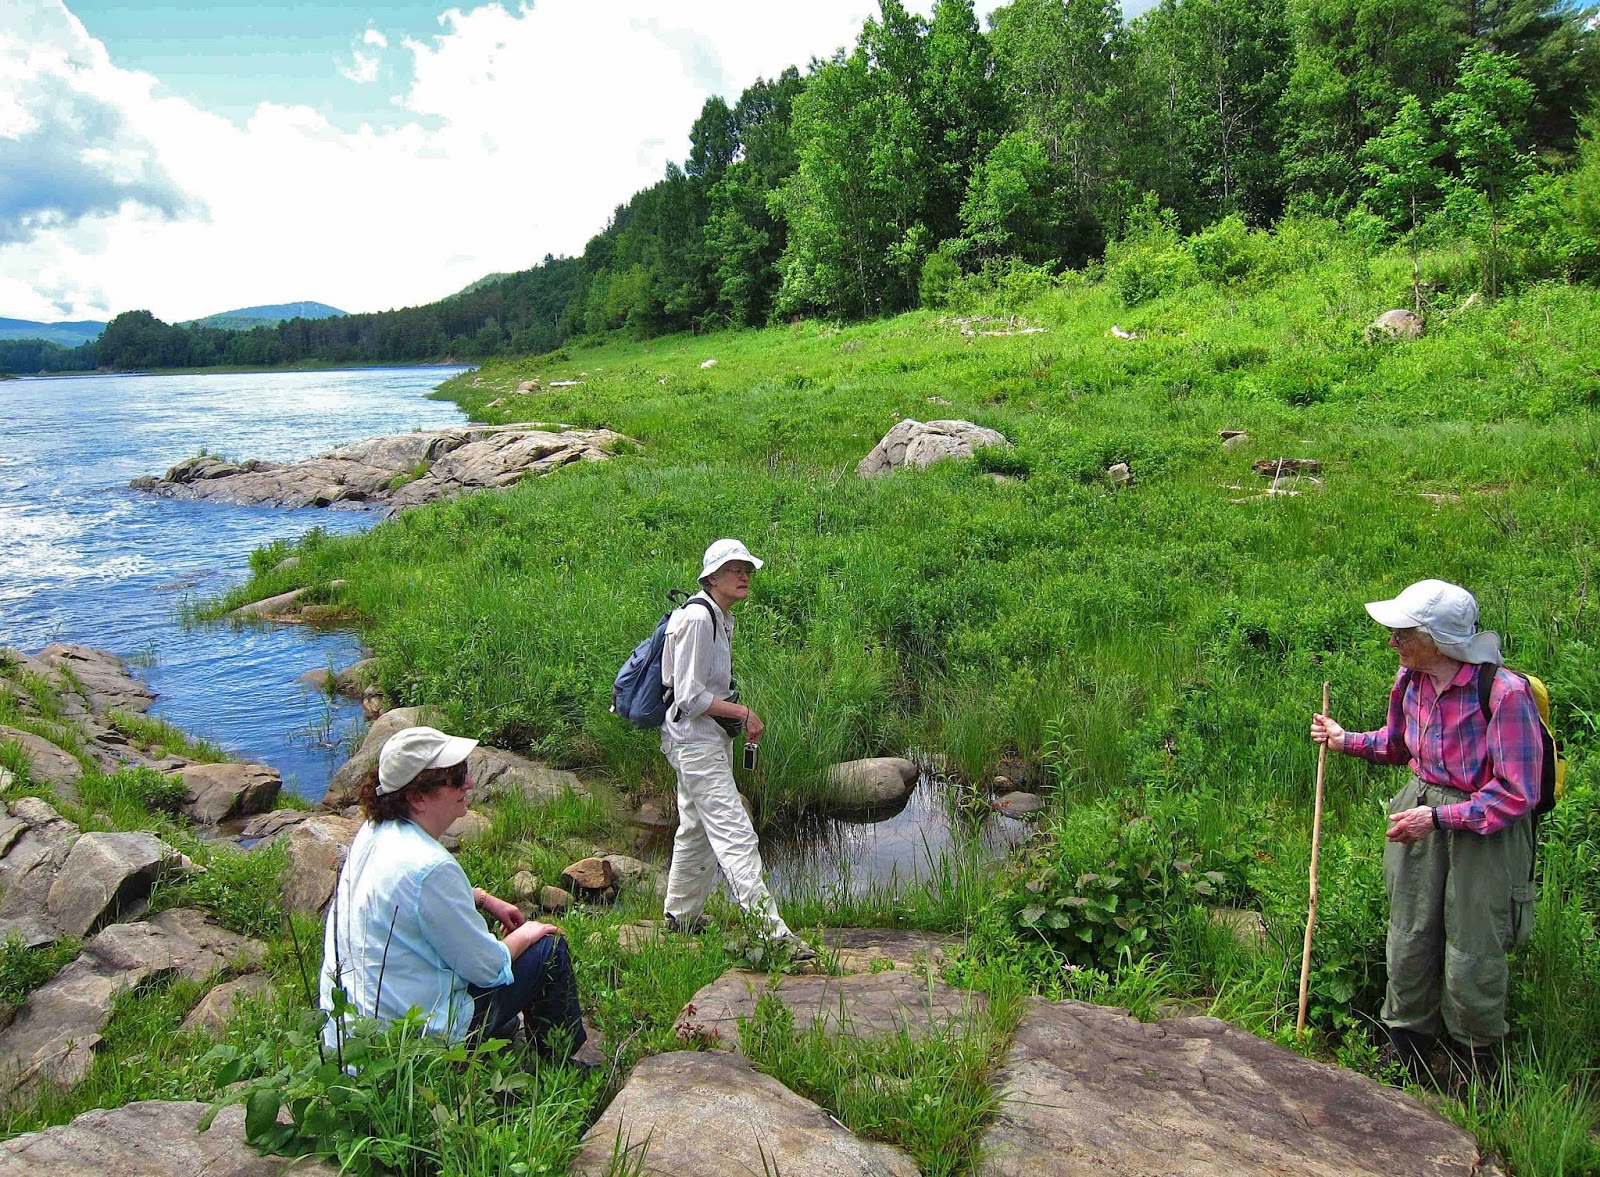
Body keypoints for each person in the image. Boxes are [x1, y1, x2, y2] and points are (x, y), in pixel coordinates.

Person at [1311, 580, 1542, 1083]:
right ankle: (1408, 1050)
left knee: (1473, 946)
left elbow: (1517, 793)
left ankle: (1474, 1067)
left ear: (1438, 638)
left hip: (1484, 831)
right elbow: (1398, 745)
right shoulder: (1409, 680)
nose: (1393, 642)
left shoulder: (1504, 694)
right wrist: (1344, 739)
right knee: (1410, 932)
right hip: (1421, 814)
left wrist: (1437, 817)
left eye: (1403, 633)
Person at [319, 725, 586, 1061]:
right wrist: (529, 935)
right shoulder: (429, 866)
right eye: (457, 776)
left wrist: (482, 898)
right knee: (550, 949)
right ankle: (557, 1062)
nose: (469, 783)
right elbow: (490, 968)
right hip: (416, 1045)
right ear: (417, 797)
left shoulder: (373, 832)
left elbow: (409, 901)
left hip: (353, 1033)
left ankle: (500, 1032)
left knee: (474, 943)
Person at [659, 538, 811, 959]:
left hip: (704, 740)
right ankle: (773, 936)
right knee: (735, 833)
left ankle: (681, 916)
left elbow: (701, 693)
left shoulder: (719, 617)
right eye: (733, 569)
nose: (744, 575)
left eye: (747, 568)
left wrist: (734, 716)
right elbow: (688, 698)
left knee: (694, 826)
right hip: (693, 743)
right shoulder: (697, 619)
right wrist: (742, 712)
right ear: (711, 576)